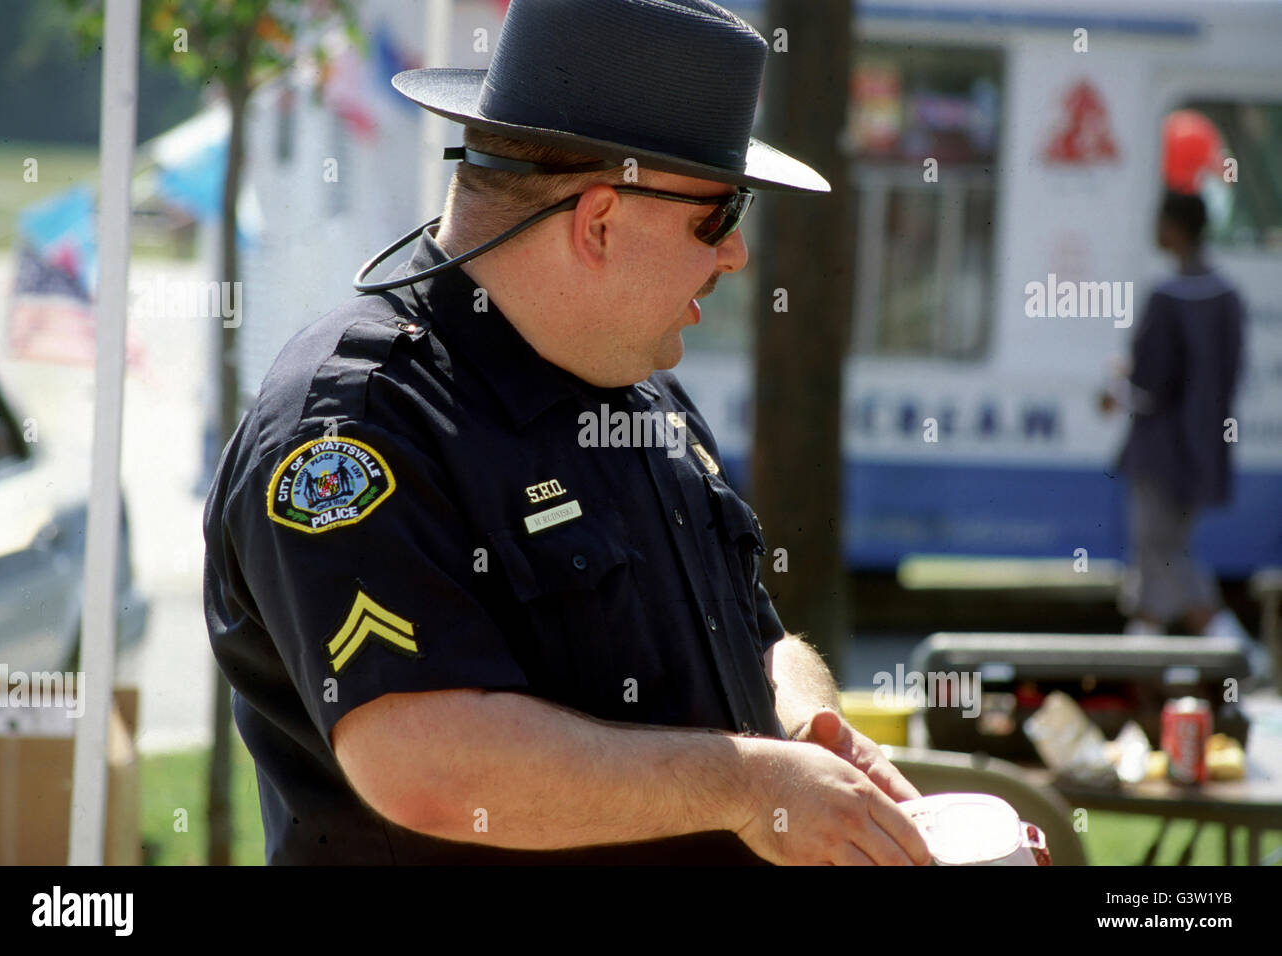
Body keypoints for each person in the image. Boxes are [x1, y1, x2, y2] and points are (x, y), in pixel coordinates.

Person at [203, 0, 929, 865]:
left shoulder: (640, 394)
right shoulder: (354, 421)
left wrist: (807, 725)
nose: (734, 255)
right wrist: (752, 786)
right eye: (720, 215)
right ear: (599, 222)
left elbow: (759, 637)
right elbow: (428, 764)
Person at [1102, 189, 1246, 638]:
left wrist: (1115, 385)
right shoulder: (1227, 298)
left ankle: (1234, 648)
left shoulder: (1167, 298)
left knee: (1159, 551)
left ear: (1174, 227)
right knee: (1158, 555)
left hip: (1161, 451)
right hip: (1204, 450)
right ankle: (1138, 659)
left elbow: (1148, 385)